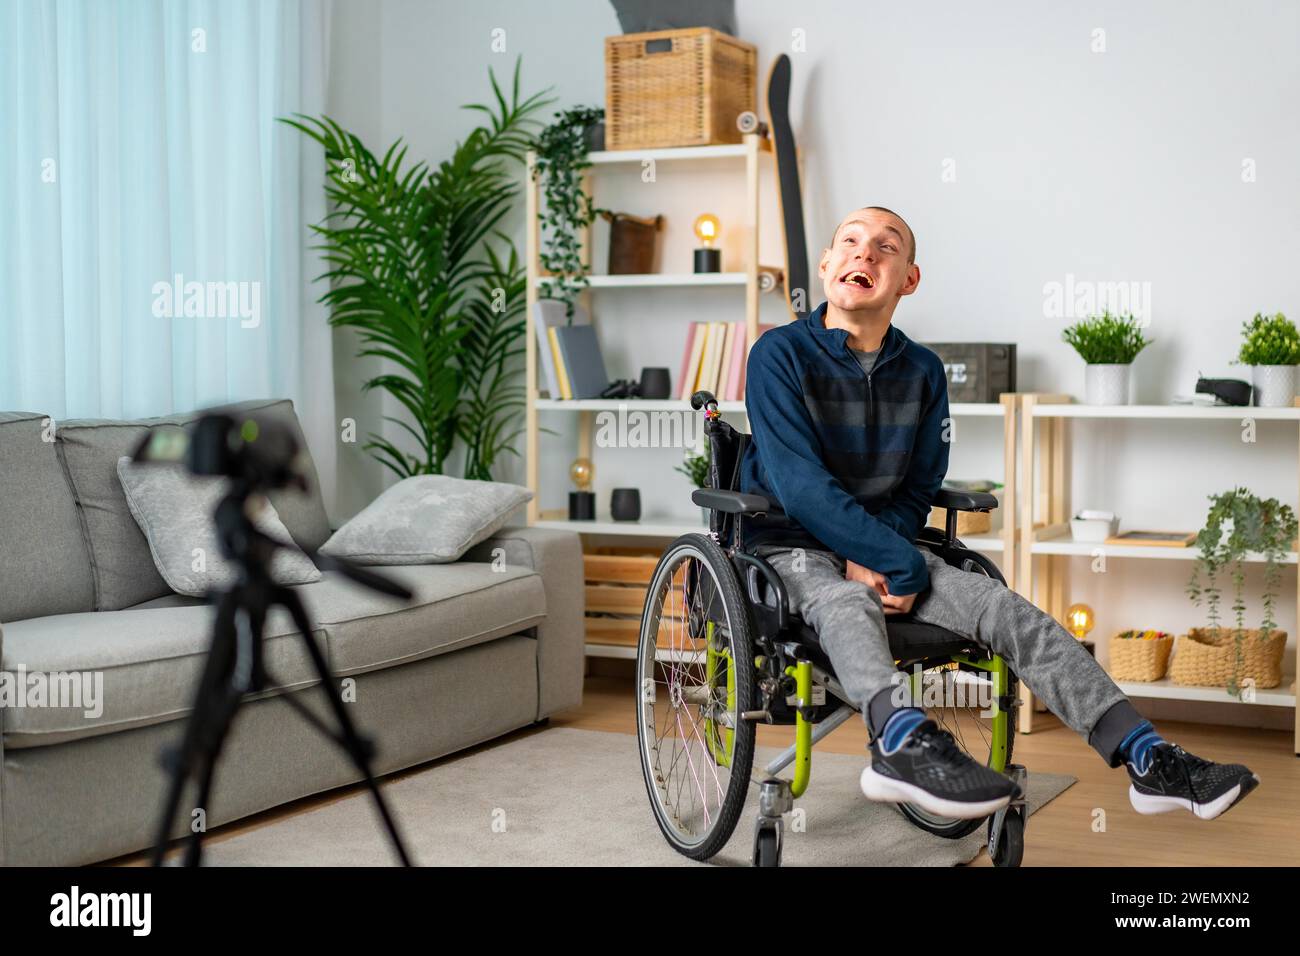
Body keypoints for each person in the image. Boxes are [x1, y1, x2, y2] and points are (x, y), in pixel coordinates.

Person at [740, 205, 1260, 821]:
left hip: (885, 548)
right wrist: (891, 564)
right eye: (850, 242)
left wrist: (881, 554)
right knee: (846, 600)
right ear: (827, 265)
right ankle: (898, 744)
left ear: (908, 278)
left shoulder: (924, 371)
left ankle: (1148, 758)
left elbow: (917, 487)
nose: (865, 253)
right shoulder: (778, 355)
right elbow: (800, 486)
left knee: (1004, 608)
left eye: (886, 246)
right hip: (790, 544)